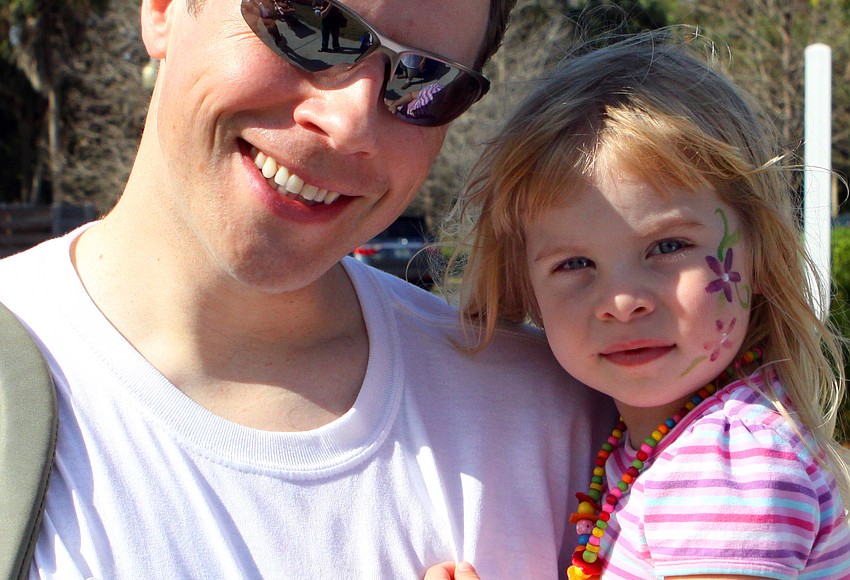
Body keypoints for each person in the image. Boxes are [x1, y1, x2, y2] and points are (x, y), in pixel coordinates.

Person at [0, 0, 614, 577]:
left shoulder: (573, 432)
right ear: (163, 9)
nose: (350, 125)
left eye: (425, 81)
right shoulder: (15, 394)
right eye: (311, 26)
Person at [429, 31, 850, 578]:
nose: (622, 302)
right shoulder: (668, 439)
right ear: (526, 287)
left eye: (668, 247)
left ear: (761, 257)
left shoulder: (727, 463)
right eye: (574, 263)